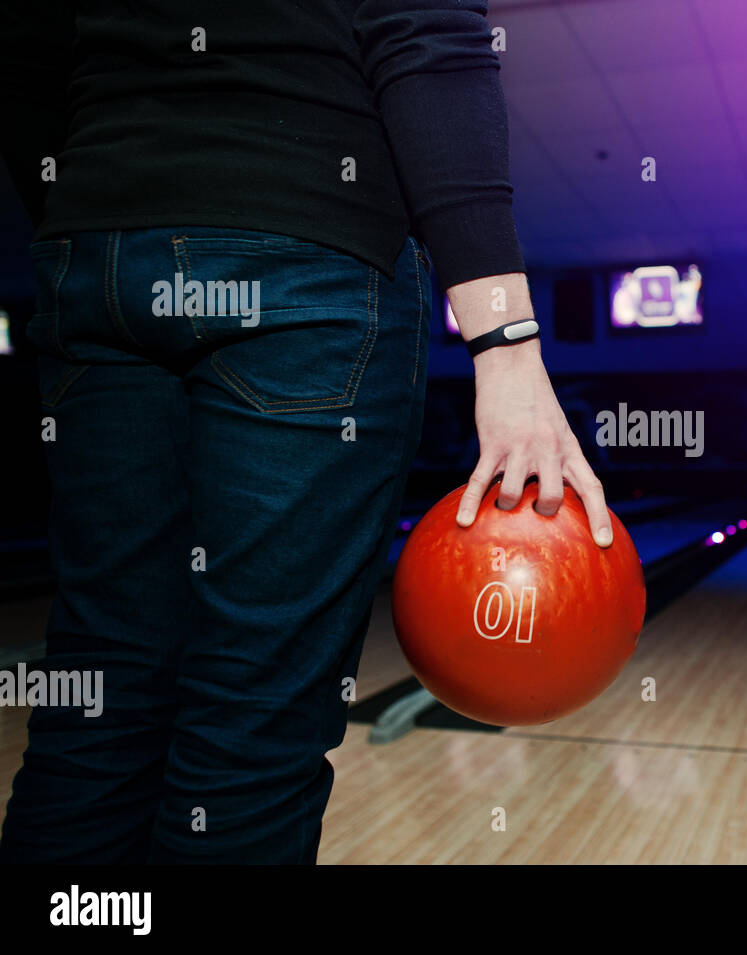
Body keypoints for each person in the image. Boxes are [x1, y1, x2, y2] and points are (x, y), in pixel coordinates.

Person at [0, 0, 610, 864]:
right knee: (252, 725)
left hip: (99, 263)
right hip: (303, 260)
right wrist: (506, 346)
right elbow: (424, 27)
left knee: (102, 696)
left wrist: (99, 204)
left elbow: (24, 44)